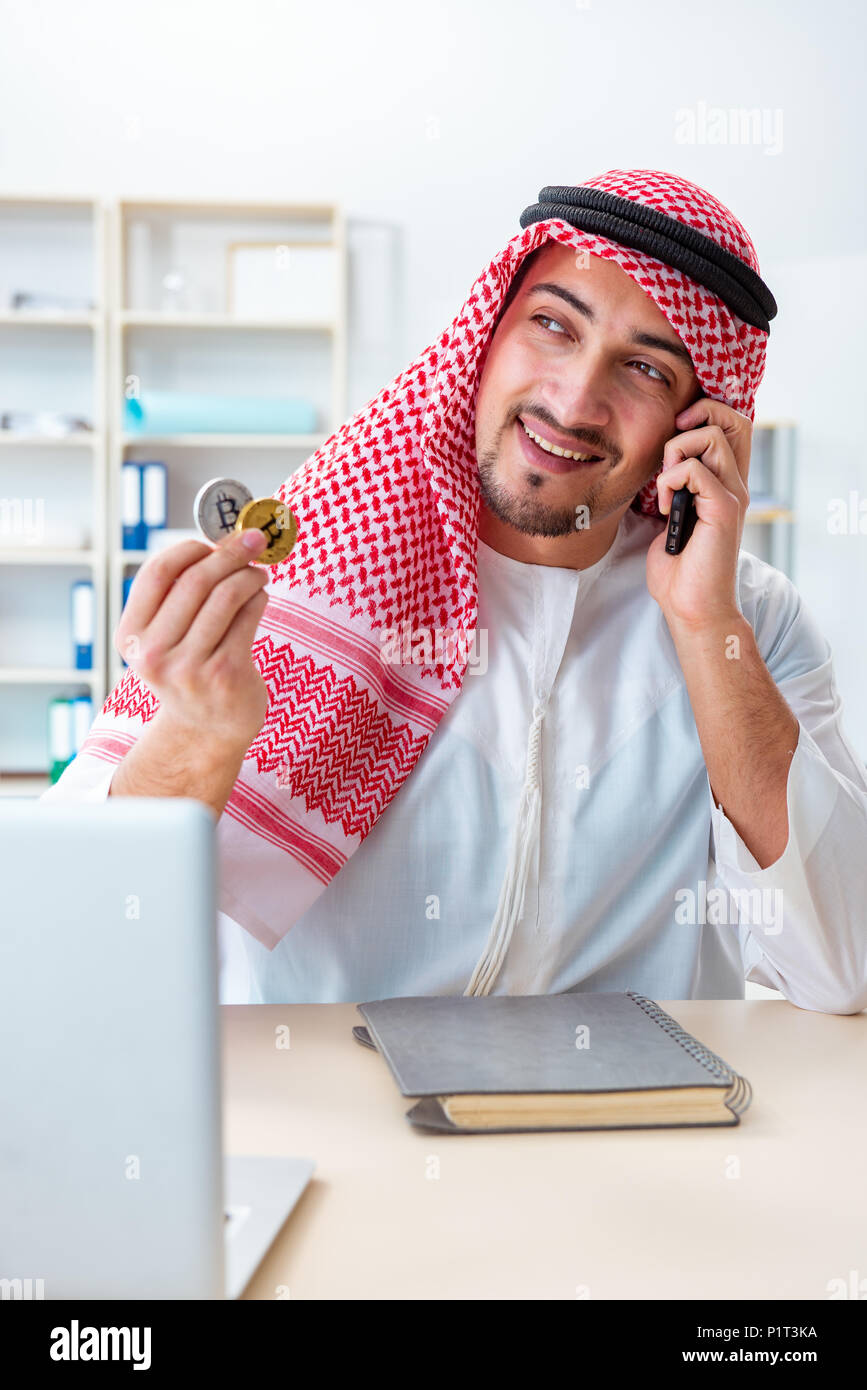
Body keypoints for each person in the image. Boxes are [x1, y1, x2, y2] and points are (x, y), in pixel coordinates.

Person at [43, 170, 867, 1012]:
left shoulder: (746, 622)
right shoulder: (303, 572)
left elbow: (844, 970)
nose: (575, 400)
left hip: (616, 1128)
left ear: (698, 424)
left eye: (646, 371)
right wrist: (196, 733)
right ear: (485, 335)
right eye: (551, 325)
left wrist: (703, 625)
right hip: (322, 1126)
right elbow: (76, 930)